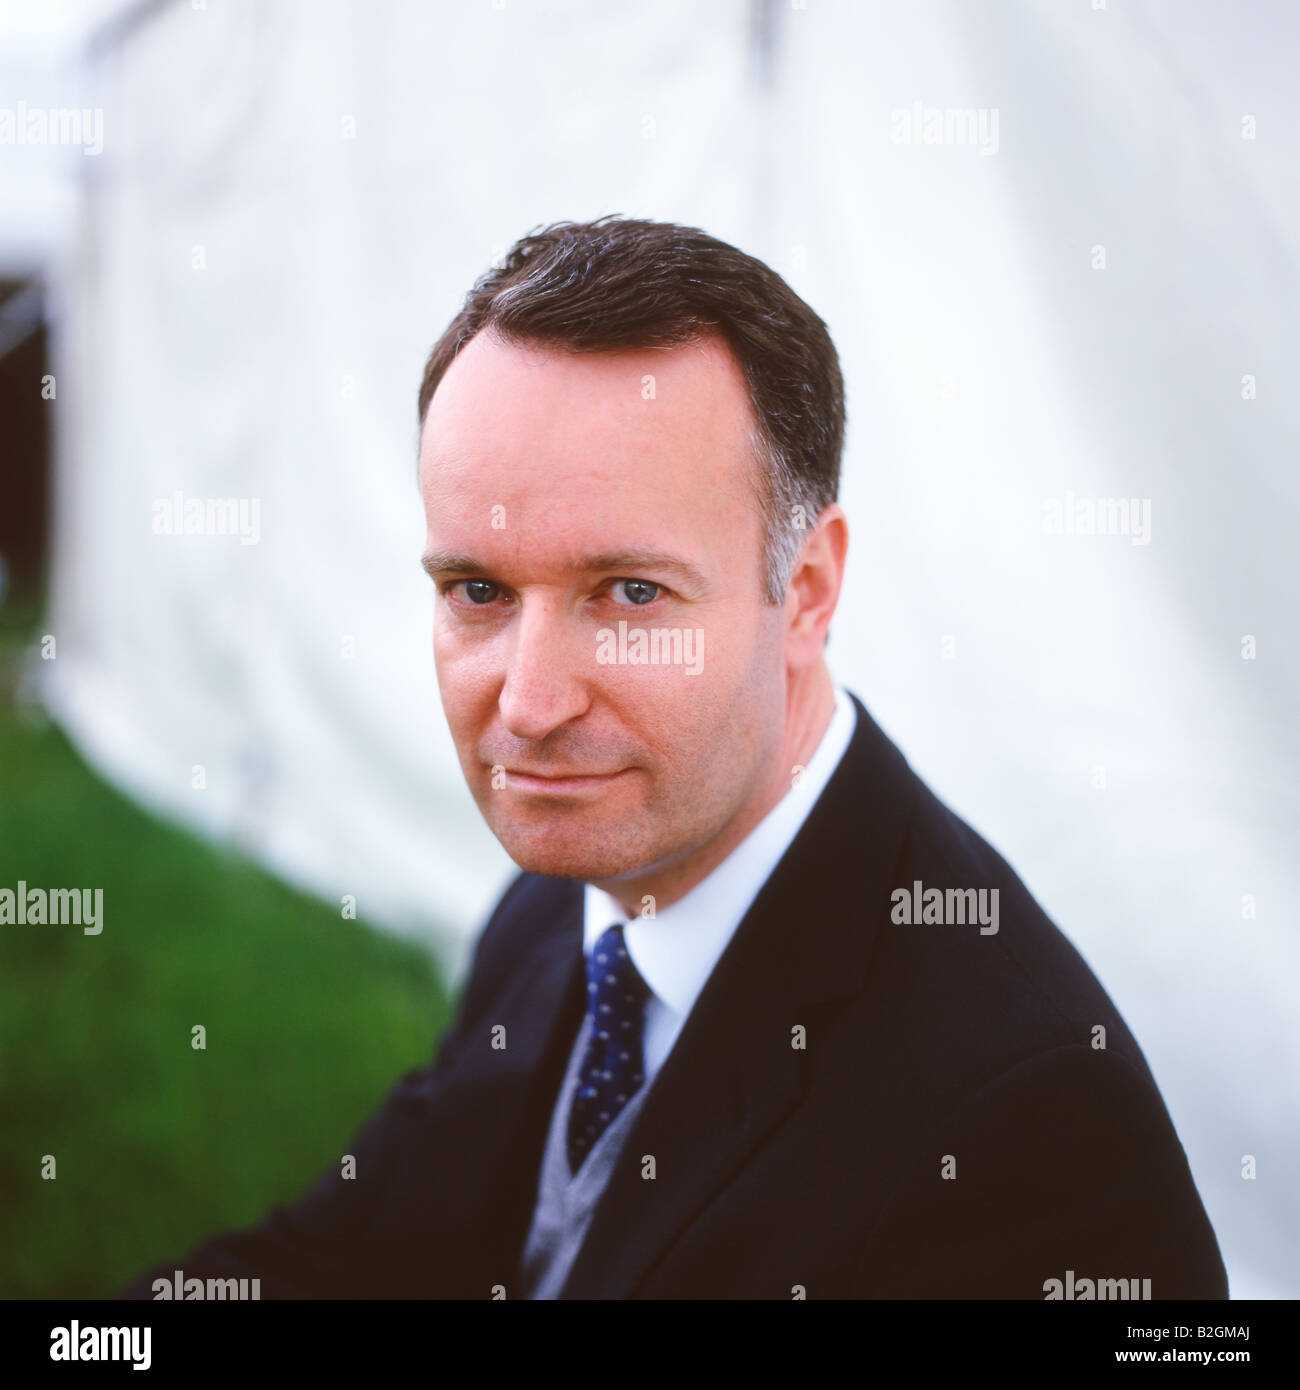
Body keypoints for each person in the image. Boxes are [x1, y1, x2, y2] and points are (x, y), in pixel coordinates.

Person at [122, 216, 1227, 1299]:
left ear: (804, 589)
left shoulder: (1022, 1125)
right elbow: (355, 1256)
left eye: (629, 594)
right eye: (479, 591)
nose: (532, 702)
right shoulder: (565, 901)